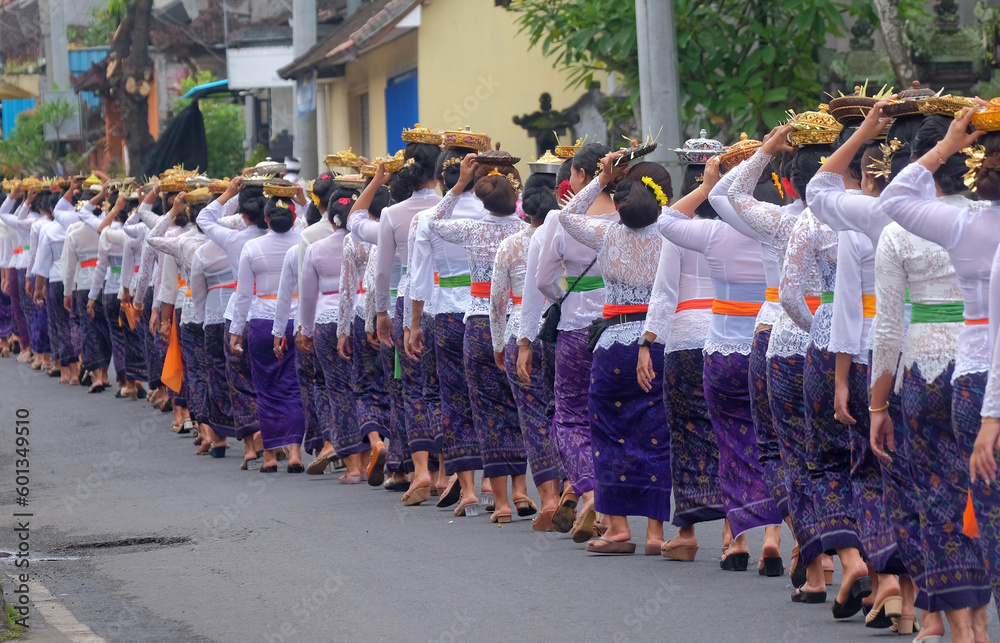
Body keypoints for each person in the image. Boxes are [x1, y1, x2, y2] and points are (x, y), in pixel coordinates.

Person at [879, 105, 997, 641]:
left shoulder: (963, 224)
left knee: (948, 503)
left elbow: (894, 200)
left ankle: (966, 627)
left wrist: (946, 143)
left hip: (953, 375)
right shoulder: (969, 219)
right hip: (967, 370)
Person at [555, 149, 668, 554]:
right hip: (655, 343)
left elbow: (565, 216)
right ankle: (656, 534)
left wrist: (601, 180)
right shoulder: (670, 233)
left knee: (608, 433)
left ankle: (618, 528)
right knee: (656, 433)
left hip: (611, 344)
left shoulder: (606, 233)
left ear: (619, 206)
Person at [518, 142, 616, 539]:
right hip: (617, 327)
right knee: (610, 417)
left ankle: (589, 489)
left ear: (577, 176)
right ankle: (612, 512)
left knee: (570, 415)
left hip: (576, 327)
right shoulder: (630, 213)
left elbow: (542, 281)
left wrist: (568, 296)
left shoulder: (561, 220)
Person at [428, 153, 529, 524]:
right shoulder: (524, 229)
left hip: (478, 324)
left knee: (482, 409)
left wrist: (458, 184)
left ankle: (487, 496)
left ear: (482, 199)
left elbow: (434, 221)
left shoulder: (472, 229)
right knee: (519, 404)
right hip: (516, 322)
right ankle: (520, 491)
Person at [637, 161, 726, 563]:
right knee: (734, 435)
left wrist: (647, 341)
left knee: (687, 435)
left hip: (686, 339)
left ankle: (687, 533)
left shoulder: (680, 232)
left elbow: (664, 292)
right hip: (732, 336)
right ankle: (735, 534)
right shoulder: (740, 229)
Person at [490, 178, 563, 530]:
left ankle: (549, 498)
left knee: (533, 419)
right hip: (560, 327)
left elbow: (497, 302)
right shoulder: (564, 237)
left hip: (520, 332)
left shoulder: (510, 245)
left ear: (525, 211)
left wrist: (496, 344)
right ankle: (575, 493)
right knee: (566, 414)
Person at [230, 189, 309, 473]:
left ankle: (271, 456)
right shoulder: (304, 242)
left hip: (262, 320)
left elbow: (242, 295)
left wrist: (236, 329)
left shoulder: (252, 248)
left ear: (265, 219)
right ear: (294, 218)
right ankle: (296, 451)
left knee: (265, 389)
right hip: (296, 320)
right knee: (293, 387)